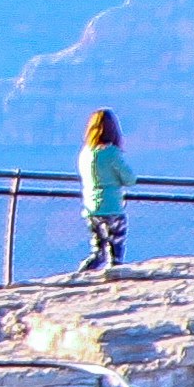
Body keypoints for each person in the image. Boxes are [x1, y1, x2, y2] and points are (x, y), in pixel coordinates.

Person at [77, 109, 131, 273]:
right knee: (115, 253)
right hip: (112, 207)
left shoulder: (86, 153)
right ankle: (114, 284)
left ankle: (81, 274)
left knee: (97, 252)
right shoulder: (111, 153)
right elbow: (128, 178)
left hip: (91, 208)